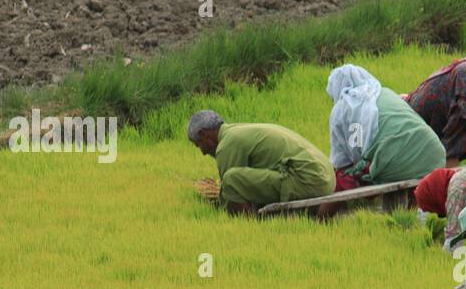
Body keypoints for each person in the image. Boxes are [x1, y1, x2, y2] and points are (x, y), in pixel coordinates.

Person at [187, 110, 334, 216]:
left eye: (198, 144)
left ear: (204, 135)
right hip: (327, 178)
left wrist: (218, 211)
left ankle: (248, 228)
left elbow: (228, 192)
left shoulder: (227, 144)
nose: (203, 152)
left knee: (231, 180)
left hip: (309, 181)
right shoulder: (238, 130)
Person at [327, 64, 446, 191]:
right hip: (436, 155)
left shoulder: (342, 108)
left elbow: (342, 162)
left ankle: (321, 212)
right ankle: (406, 210)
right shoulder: (385, 92)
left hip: (396, 162)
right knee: (394, 158)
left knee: (340, 179)